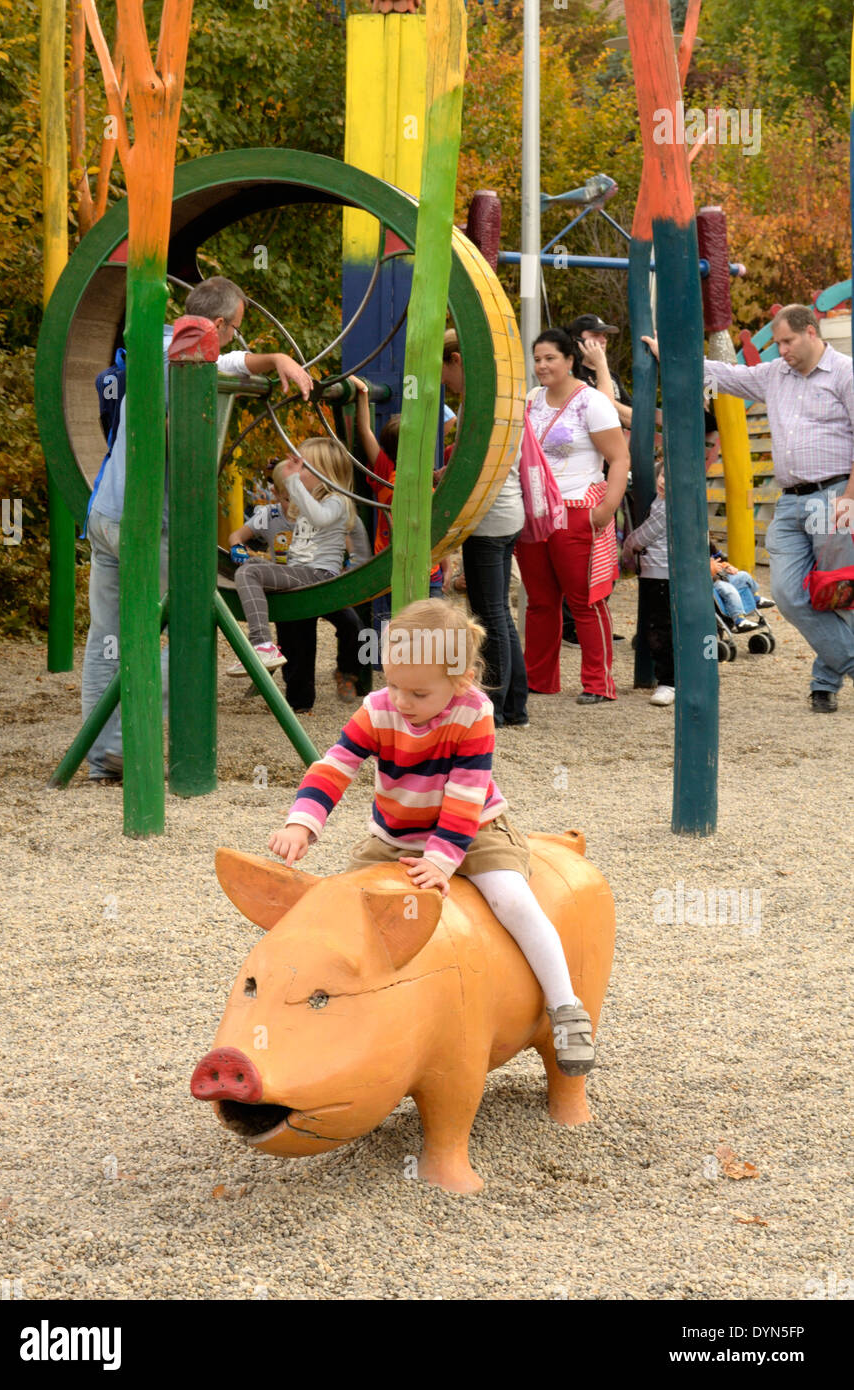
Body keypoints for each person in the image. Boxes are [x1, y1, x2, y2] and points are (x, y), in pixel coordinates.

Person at [268, 598, 596, 1075]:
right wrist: (302, 821)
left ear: (459, 681)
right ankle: (325, 1006)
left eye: (418, 693)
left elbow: (465, 797)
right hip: (398, 834)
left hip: (476, 829)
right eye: (393, 684)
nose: (402, 701)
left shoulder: (474, 713)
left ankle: (566, 1009)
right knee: (340, 905)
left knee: (513, 902)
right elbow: (336, 765)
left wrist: (443, 860)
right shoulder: (379, 709)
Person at [80, 275, 312, 782]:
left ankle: (102, 756)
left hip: (105, 512)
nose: (232, 343)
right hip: (150, 517)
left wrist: (273, 360)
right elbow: (200, 383)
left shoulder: (155, 342)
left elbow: (225, 362)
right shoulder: (188, 351)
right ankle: (146, 753)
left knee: (105, 640)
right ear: (222, 323)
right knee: (185, 633)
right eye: (234, 332)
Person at [643, 305, 854, 712]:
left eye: (787, 341)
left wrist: (850, 497)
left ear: (811, 332)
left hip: (834, 496)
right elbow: (725, 374)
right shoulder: (776, 374)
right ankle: (845, 664)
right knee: (787, 594)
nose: (782, 350)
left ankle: (825, 681)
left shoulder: (845, 372)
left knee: (836, 591)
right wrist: (668, 351)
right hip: (791, 498)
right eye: (777, 343)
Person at [515, 327, 630, 704]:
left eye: (550, 358)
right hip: (536, 512)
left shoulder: (592, 402)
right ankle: (539, 678)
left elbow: (619, 458)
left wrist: (606, 509)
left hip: (578, 509)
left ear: (569, 360)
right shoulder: (531, 400)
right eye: (537, 359)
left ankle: (598, 683)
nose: (542, 365)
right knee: (541, 601)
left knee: (585, 600)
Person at [438, 331, 529, 728]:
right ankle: (515, 705)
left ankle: (494, 709)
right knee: (499, 614)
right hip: (507, 513)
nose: (445, 384)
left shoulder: (479, 401)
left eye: (445, 375)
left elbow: (476, 465)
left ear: (457, 360)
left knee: (489, 614)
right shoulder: (500, 393)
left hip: (489, 519)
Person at [227, 438, 355, 677]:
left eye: (304, 467)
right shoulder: (307, 502)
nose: (297, 471)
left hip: (319, 575)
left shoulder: (337, 500)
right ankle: (263, 646)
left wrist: (293, 481)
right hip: (304, 572)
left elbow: (320, 518)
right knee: (253, 565)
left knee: (249, 572)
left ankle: (261, 645)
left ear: (325, 473)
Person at [348, 375, 443, 659]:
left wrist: (363, 393)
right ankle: (408, 668)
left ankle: (409, 667)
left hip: (409, 564)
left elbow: (365, 430)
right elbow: (364, 431)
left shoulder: (392, 472)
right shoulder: (396, 472)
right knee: (420, 623)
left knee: (405, 623)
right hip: (414, 565)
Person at [621, 459, 675, 706]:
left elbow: (641, 538)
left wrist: (626, 551)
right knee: (660, 626)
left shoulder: (667, 507)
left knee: (660, 629)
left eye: (670, 477)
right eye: (662, 475)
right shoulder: (660, 502)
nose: (663, 481)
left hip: (661, 574)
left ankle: (668, 682)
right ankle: (670, 679)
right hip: (656, 573)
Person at [568, 313, 633, 428]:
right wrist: (601, 362)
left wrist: (611, 401)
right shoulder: (571, 375)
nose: (603, 340)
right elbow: (604, 410)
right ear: (577, 340)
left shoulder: (611, 376)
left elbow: (633, 420)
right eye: (596, 335)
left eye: (604, 335)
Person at [709, 543, 774, 632]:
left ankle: (756, 599)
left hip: (721, 575)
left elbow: (721, 559)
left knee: (744, 575)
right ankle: (739, 620)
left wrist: (727, 566)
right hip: (710, 581)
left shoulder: (707, 542)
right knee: (730, 590)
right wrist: (710, 569)